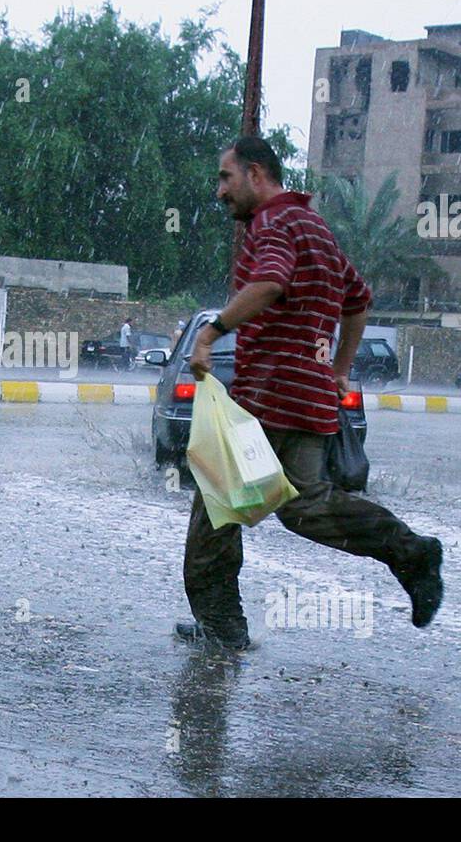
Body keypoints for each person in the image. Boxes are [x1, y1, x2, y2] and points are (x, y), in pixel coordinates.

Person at [177, 137, 444, 650]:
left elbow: (272, 283)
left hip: (270, 393)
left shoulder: (273, 223)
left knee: (216, 509)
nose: (219, 191)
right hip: (307, 399)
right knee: (307, 507)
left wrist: (212, 331)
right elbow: (358, 297)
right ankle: (410, 551)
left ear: (257, 174)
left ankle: (223, 629)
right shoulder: (314, 226)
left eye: (226, 178)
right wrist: (339, 369)